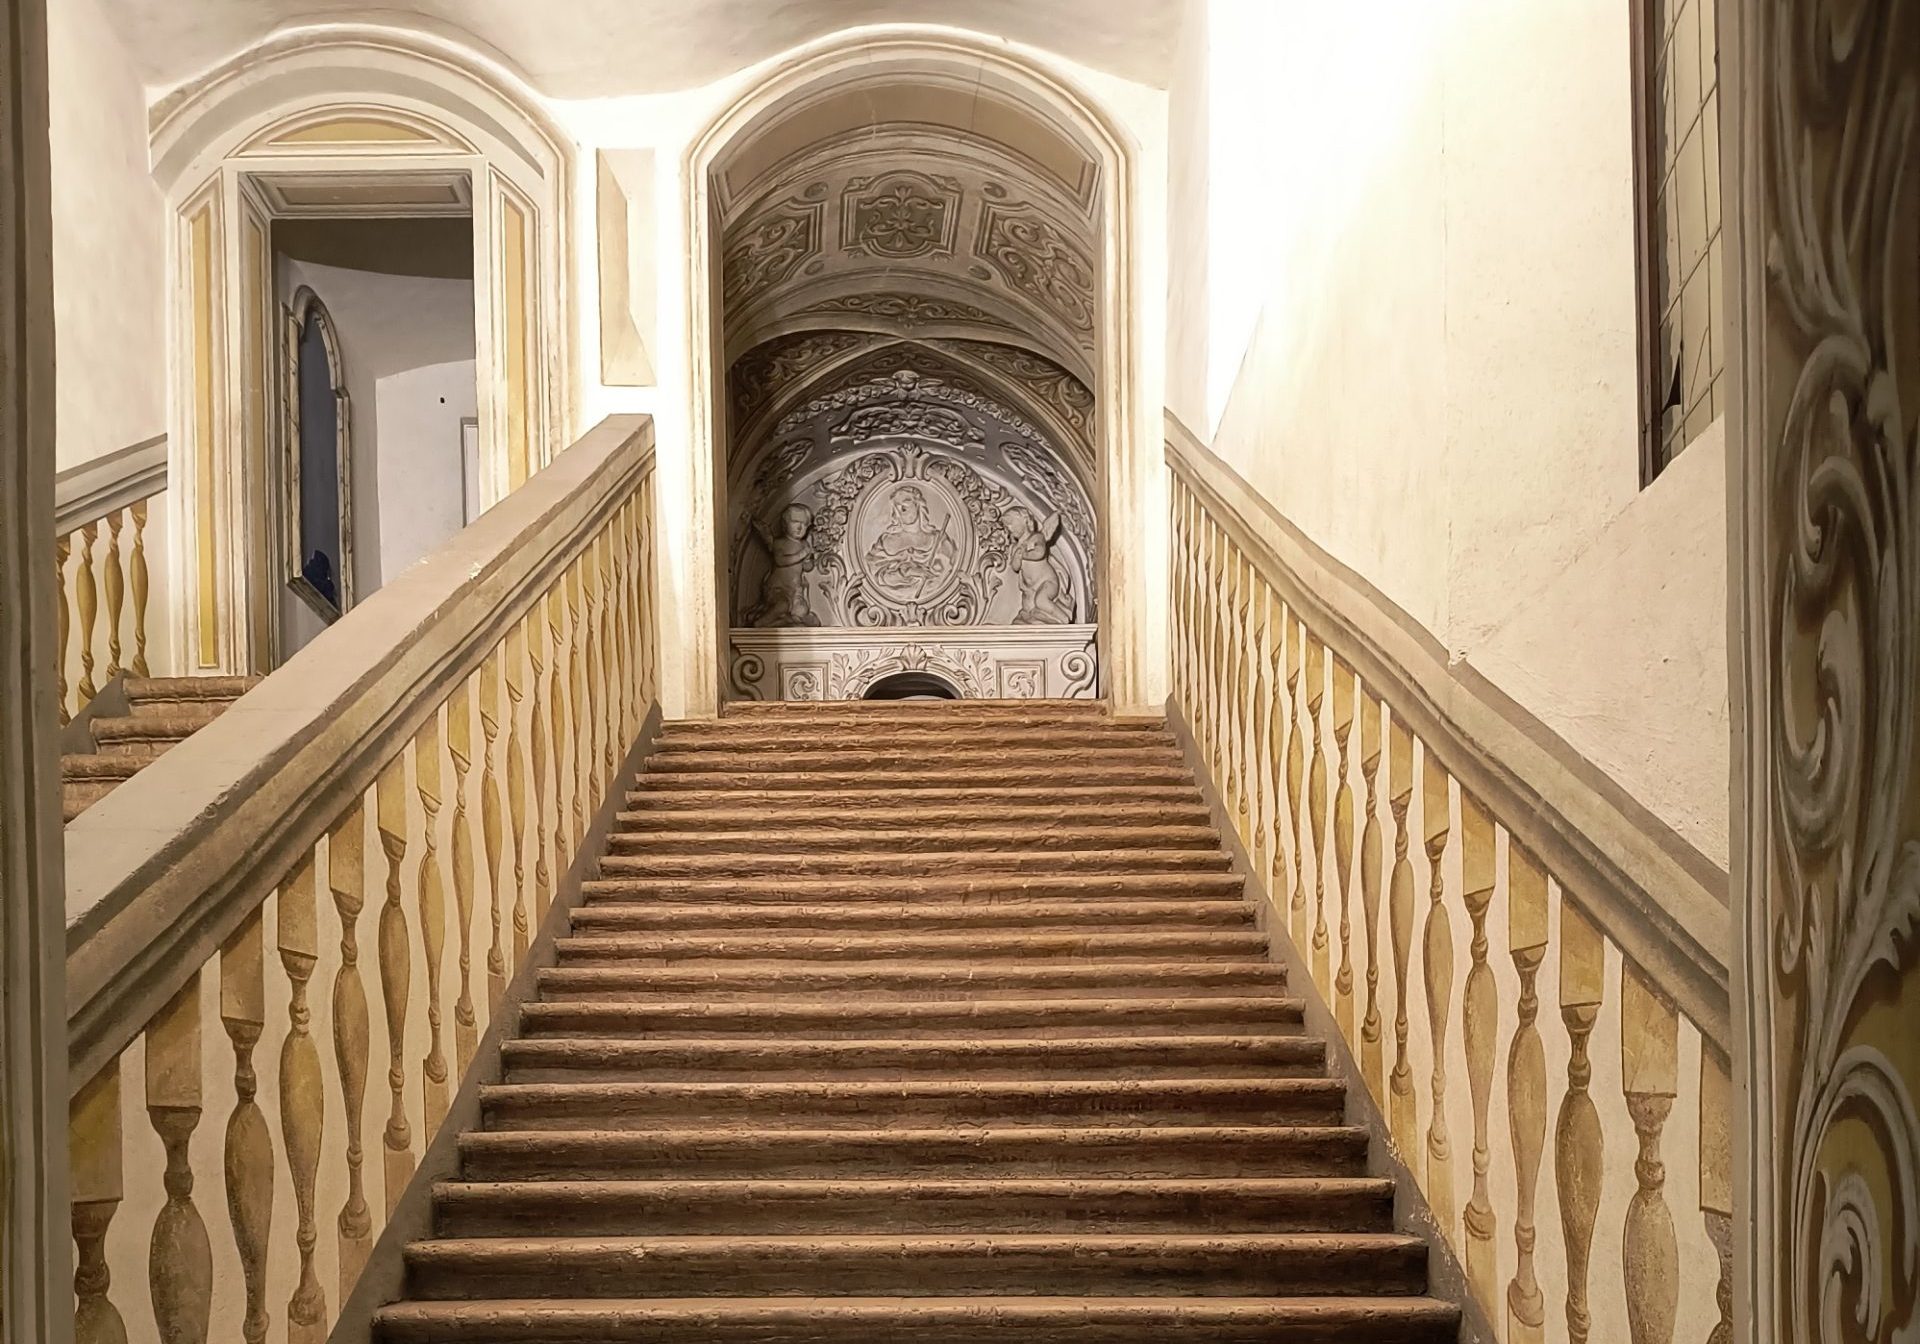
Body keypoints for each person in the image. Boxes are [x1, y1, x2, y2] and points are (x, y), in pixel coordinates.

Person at [749, 503, 819, 626]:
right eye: (795, 522)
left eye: (804, 525)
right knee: (782, 605)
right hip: (778, 588)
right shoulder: (780, 543)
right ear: (785, 524)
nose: (799, 527)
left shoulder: (804, 545)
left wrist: (809, 559)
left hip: (796, 590)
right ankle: (761, 622)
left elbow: (807, 567)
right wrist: (801, 555)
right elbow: (780, 561)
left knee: (802, 611)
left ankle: (784, 621)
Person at [1003, 505, 1074, 624]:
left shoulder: (1036, 537)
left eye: (1011, 523)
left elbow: (1039, 553)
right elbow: (1015, 567)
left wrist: (1024, 554)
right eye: (1006, 526)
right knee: (1028, 608)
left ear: (1025, 521)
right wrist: (1017, 558)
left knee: (1041, 601)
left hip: (1047, 582)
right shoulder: (1015, 547)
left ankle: (1064, 617)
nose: (1009, 528)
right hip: (1030, 589)